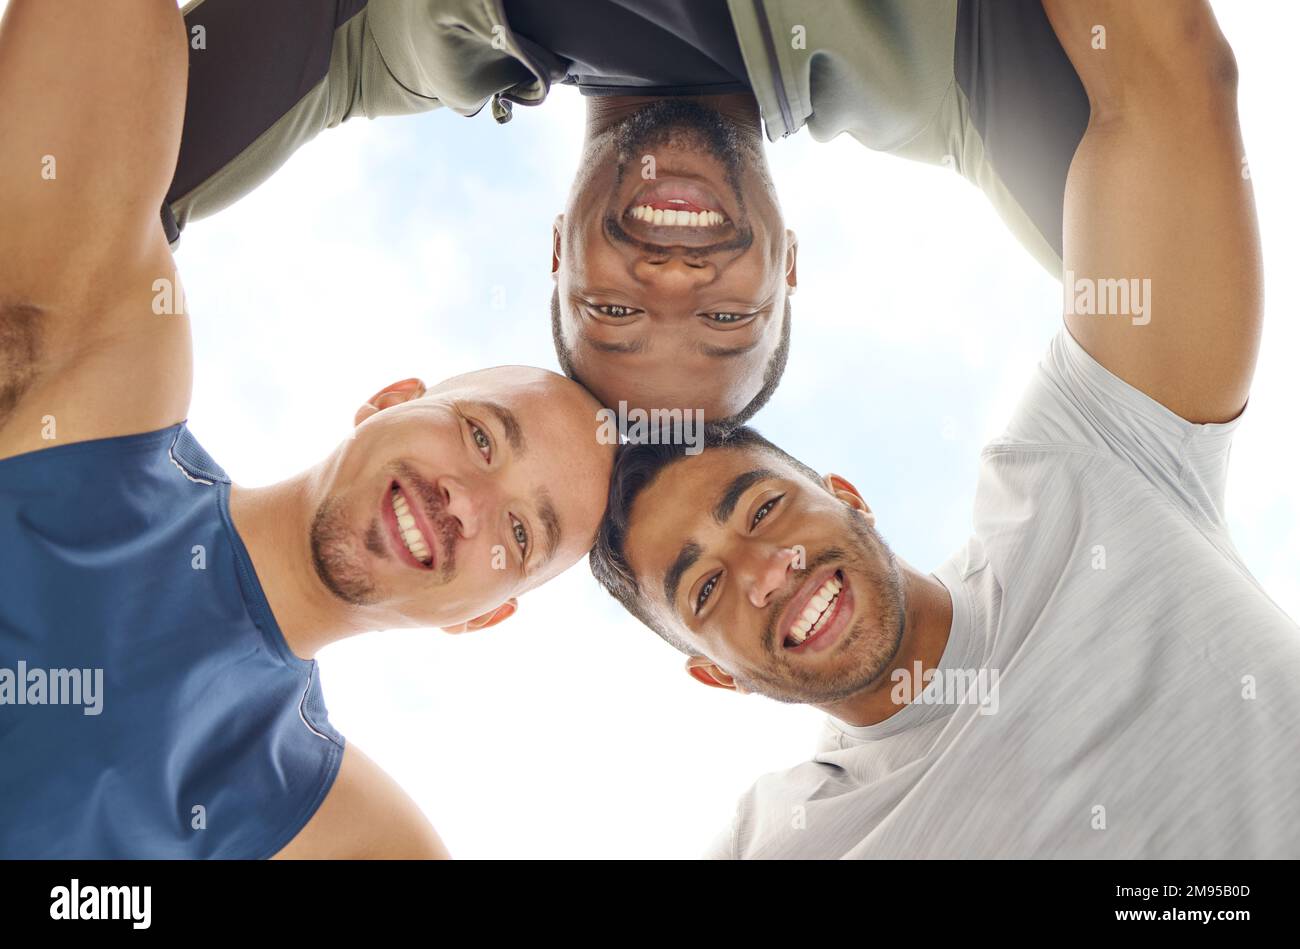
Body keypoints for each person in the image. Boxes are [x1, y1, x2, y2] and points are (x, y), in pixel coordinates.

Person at [589, 0, 1300, 858]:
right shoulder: (785, 841)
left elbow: (1165, 81)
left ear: (846, 495)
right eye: (705, 590)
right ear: (714, 672)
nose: (766, 571)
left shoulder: (1090, 466)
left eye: (763, 509)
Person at [0, 0, 613, 858]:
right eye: (481, 437)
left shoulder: (342, 832)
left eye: (518, 532)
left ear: (480, 618)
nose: (466, 502)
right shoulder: (104, 377)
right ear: (389, 400)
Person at [161, 0, 1089, 427]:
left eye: (612, 311)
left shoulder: (378, 33)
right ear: (788, 266)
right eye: (727, 319)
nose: (673, 281)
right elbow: (1150, 282)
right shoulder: (953, 67)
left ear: (557, 254)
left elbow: (114, 188)